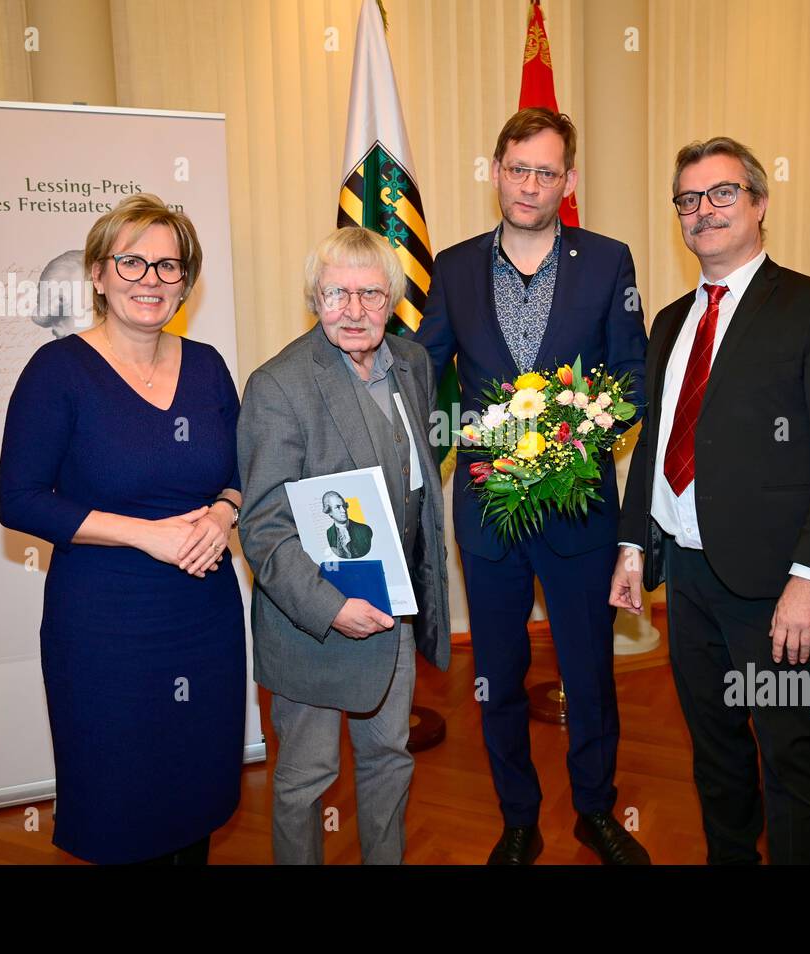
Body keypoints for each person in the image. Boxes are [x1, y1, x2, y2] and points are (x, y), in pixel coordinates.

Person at [611, 137, 810, 865]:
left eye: (723, 192)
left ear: (760, 202)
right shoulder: (669, 322)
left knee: (789, 753)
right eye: (689, 200)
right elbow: (655, 446)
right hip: (688, 579)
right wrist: (635, 546)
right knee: (716, 748)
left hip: (772, 588)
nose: (705, 210)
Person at [415, 107, 649, 865]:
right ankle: (519, 816)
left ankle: (594, 810)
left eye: (547, 172)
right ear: (494, 171)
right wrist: (457, 445)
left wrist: (571, 445)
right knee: (498, 675)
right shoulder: (450, 268)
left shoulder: (609, 261)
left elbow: (633, 380)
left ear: (569, 181)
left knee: (589, 674)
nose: (530, 185)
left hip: (579, 511)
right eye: (518, 169)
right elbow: (429, 377)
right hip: (487, 515)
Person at [0, 193, 246, 865]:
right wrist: (147, 534)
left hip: (204, 617)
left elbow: (244, 471)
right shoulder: (57, 372)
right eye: (132, 261)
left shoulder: (208, 366)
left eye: (169, 266)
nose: (151, 279)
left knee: (194, 792)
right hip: (105, 626)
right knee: (120, 799)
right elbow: (18, 500)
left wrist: (223, 513)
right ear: (99, 275)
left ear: (186, 282)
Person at [237, 226, 450, 865]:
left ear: (393, 301)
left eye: (372, 295)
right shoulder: (279, 385)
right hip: (314, 625)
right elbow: (264, 526)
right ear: (314, 298)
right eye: (338, 294)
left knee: (390, 760)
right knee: (306, 780)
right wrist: (331, 607)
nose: (355, 311)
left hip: (395, 615)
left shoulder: (412, 364)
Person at [322, 490, 373, 558]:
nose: (343, 510)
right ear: (329, 512)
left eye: (344, 506)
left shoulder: (364, 530)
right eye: (337, 507)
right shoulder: (329, 533)